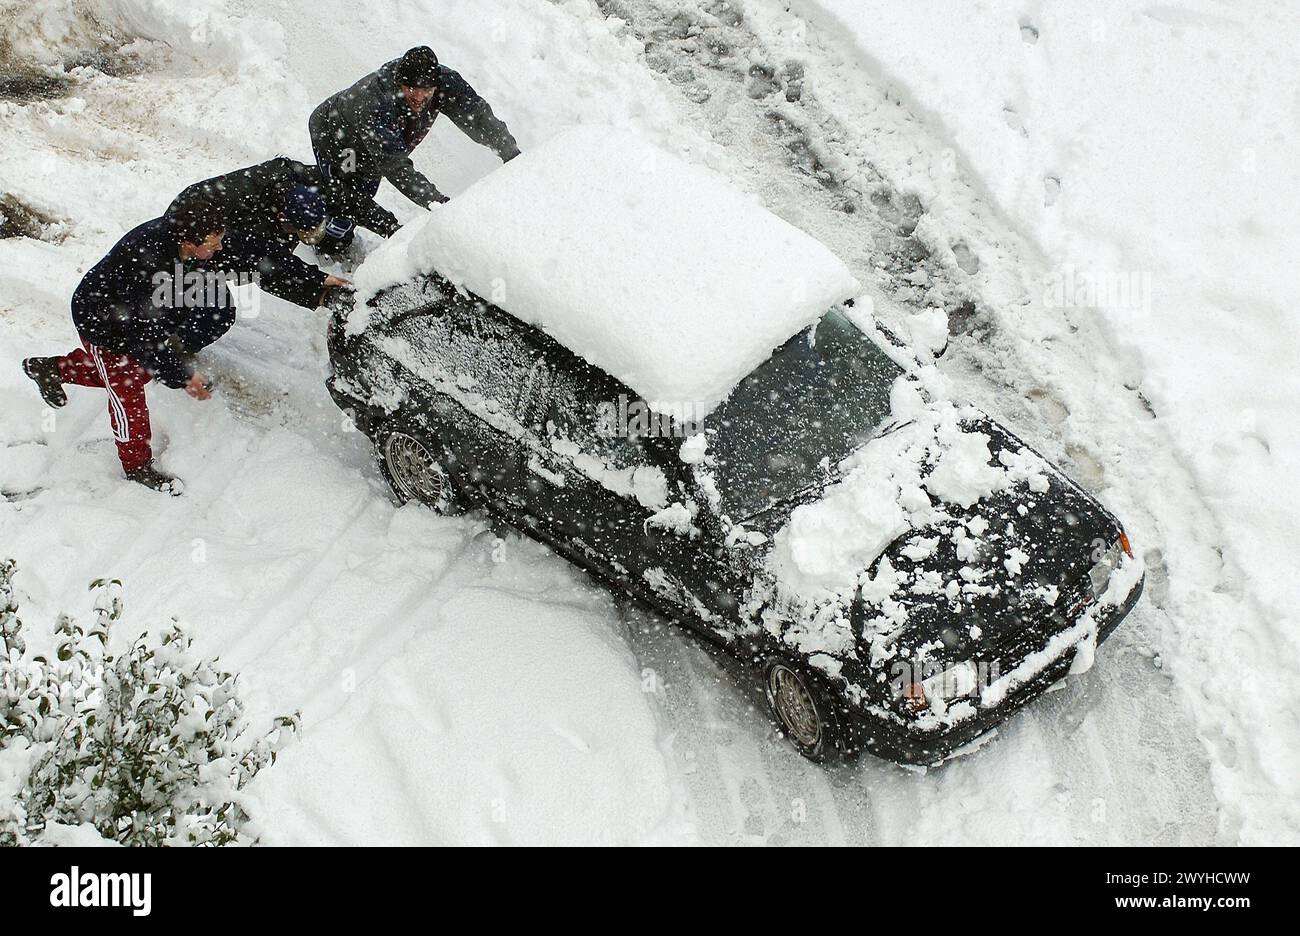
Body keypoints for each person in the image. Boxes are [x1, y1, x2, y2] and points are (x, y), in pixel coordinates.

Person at [21, 202, 236, 494]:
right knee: (127, 390)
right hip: (103, 321)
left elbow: (195, 291)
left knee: (136, 372)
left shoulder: (187, 246)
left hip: (138, 318)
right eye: (214, 243)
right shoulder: (146, 256)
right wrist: (181, 374)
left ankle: (51, 369)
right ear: (188, 242)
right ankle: (136, 466)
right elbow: (143, 334)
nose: (220, 248)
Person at [308, 45, 520, 244]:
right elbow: (396, 166)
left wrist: (511, 153)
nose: (419, 97)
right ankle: (327, 243)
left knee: (363, 188)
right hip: (337, 138)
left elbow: (478, 117)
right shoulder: (374, 101)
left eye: (426, 89)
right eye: (411, 88)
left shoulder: (446, 83)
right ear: (399, 83)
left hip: (375, 145)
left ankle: (323, 206)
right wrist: (438, 205)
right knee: (349, 198)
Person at [165, 156, 351, 305]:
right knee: (219, 309)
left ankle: (325, 298)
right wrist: (317, 277)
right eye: (298, 231)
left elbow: (277, 259)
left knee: (273, 265)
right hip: (190, 237)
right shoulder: (242, 201)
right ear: (282, 217)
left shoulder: (296, 192)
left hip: (224, 233)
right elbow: (266, 255)